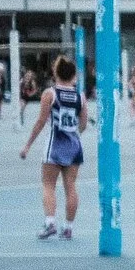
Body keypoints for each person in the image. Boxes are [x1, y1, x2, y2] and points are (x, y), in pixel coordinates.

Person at [19, 54, 87, 240]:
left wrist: (27, 146)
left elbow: (41, 122)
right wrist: (73, 131)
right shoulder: (80, 97)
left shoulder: (50, 94)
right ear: (74, 75)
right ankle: (68, 227)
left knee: (48, 184)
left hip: (55, 144)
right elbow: (83, 125)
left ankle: (50, 223)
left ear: (55, 73)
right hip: (74, 145)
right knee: (71, 186)